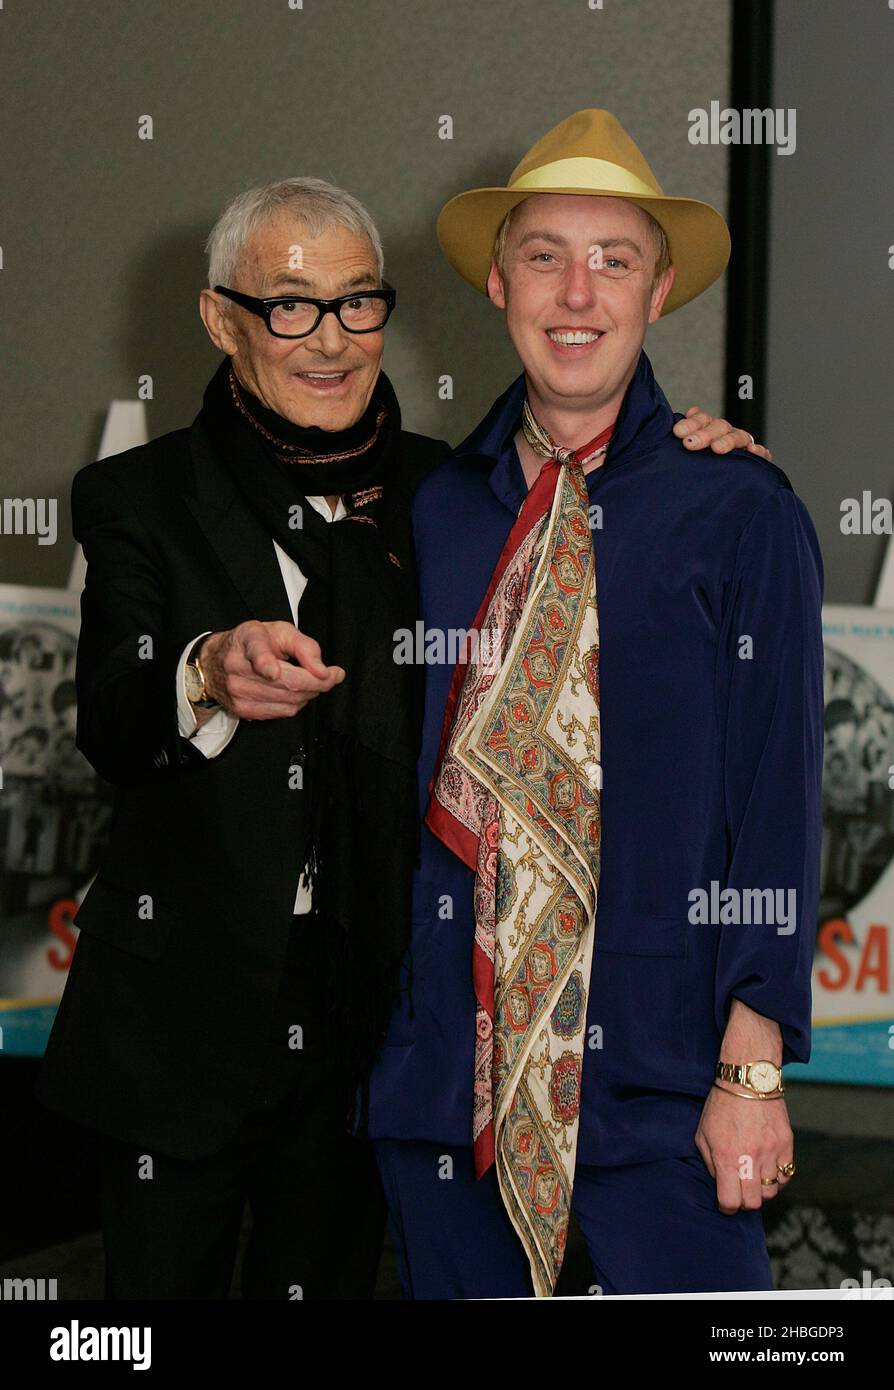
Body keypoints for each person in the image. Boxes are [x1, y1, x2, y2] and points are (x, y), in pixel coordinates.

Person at [35, 171, 765, 1301]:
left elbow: (599, 495)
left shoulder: (451, 492)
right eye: (290, 306)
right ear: (221, 319)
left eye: (357, 302)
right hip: (180, 1025)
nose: (331, 340)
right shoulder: (137, 495)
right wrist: (207, 673)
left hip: (373, 1029)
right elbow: (115, 723)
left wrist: (695, 451)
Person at [366, 110, 824, 1299]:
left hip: (665, 1081)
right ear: (497, 279)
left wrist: (753, 1070)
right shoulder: (434, 509)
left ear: (659, 291)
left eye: (615, 260)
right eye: (545, 256)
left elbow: (778, 808)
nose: (579, 292)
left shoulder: (743, 511)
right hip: (452, 1081)